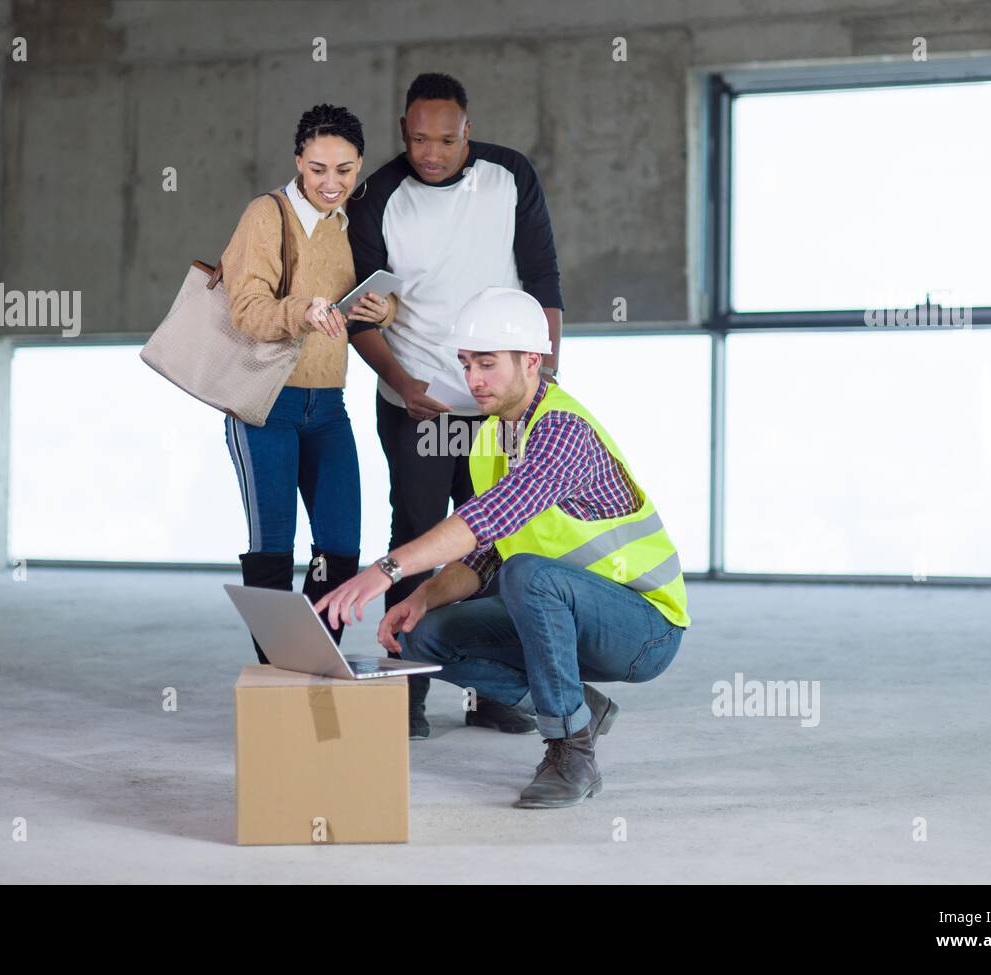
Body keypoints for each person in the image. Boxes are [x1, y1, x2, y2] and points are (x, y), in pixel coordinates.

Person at [315, 287, 691, 809]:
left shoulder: (562, 429)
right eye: (467, 364)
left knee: (528, 576)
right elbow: (483, 551)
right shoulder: (492, 437)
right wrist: (420, 598)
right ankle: (582, 708)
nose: (473, 380)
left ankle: (571, 752)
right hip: (568, 610)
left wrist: (386, 568)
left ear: (531, 361)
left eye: (487, 364)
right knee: (426, 636)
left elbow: (489, 516)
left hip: (644, 628)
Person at [345, 72, 565, 739]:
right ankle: (403, 691)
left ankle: (489, 691)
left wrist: (545, 378)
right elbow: (359, 314)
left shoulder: (509, 176)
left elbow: (543, 279)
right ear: (403, 132)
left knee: (497, 544)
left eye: (445, 138)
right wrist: (402, 381)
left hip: (498, 407)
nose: (432, 152)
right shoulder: (380, 195)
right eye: (418, 139)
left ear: (467, 129)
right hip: (419, 402)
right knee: (414, 537)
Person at [211, 104, 396, 658]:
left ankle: (315, 662)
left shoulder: (346, 225)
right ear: (298, 162)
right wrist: (303, 311)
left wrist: (379, 310)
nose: (331, 182)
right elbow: (247, 310)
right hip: (264, 405)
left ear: (359, 166)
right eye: (317, 168)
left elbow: (354, 310)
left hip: (328, 406)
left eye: (344, 170)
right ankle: (279, 676)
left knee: (339, 546)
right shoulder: (267, 216)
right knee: (272, 548)